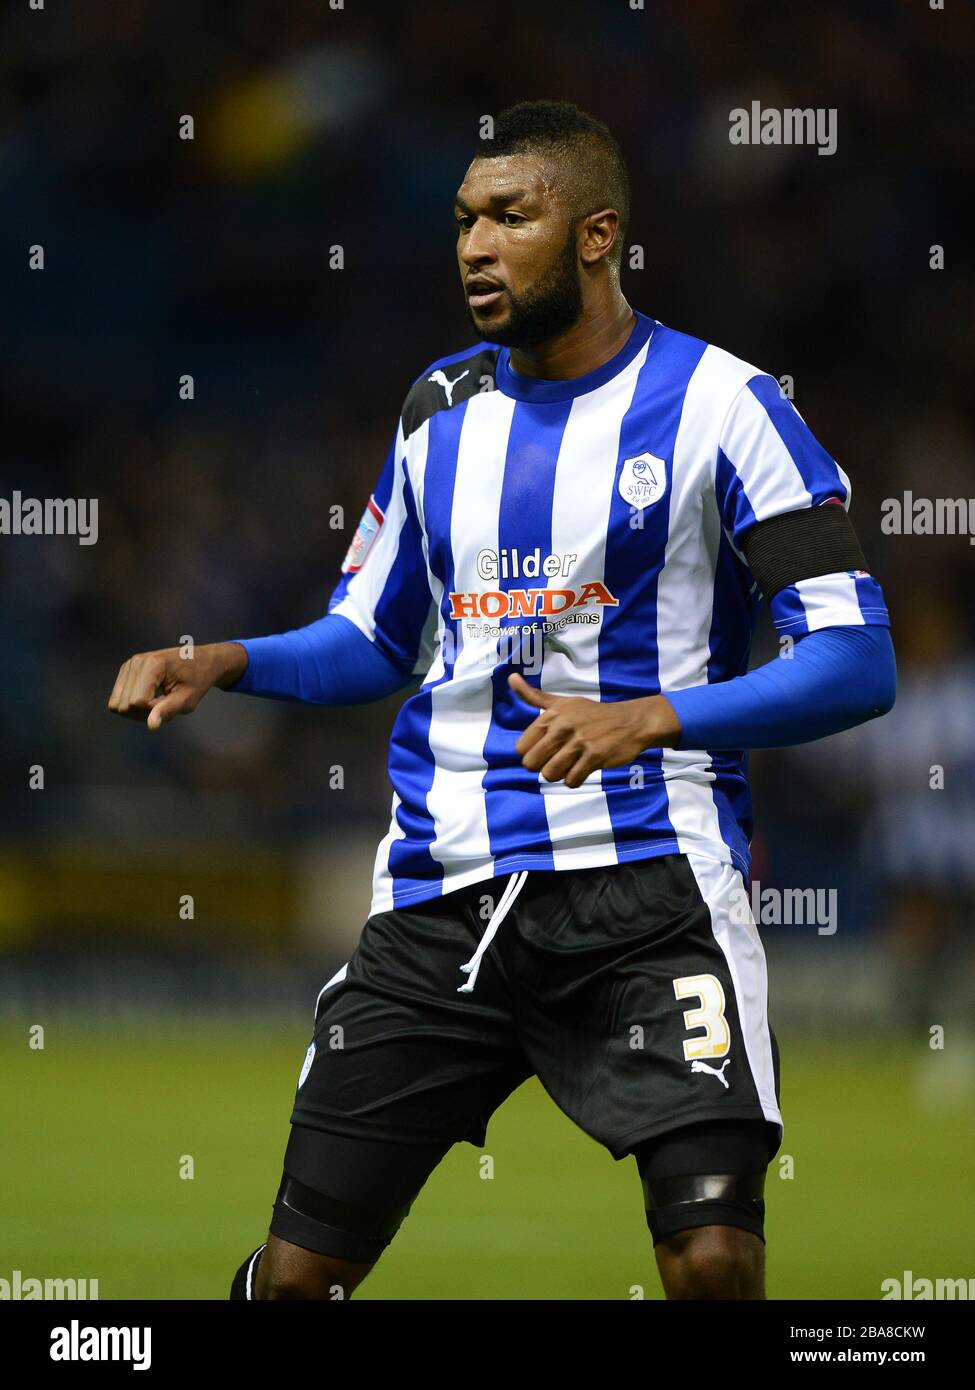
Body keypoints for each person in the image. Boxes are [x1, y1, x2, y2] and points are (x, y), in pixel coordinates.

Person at [108, 100, 896, 1300]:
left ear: (596, 235)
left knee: (715, 1260)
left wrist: (655, 715)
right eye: (466, 219)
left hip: (653, 889)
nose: (475, 245)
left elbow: (855, 660)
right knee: (294, 1282)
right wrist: (227, 658)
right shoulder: (439, 410)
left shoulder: (726, 408)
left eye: (510, 217)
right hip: (444, 892)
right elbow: (374, 637)